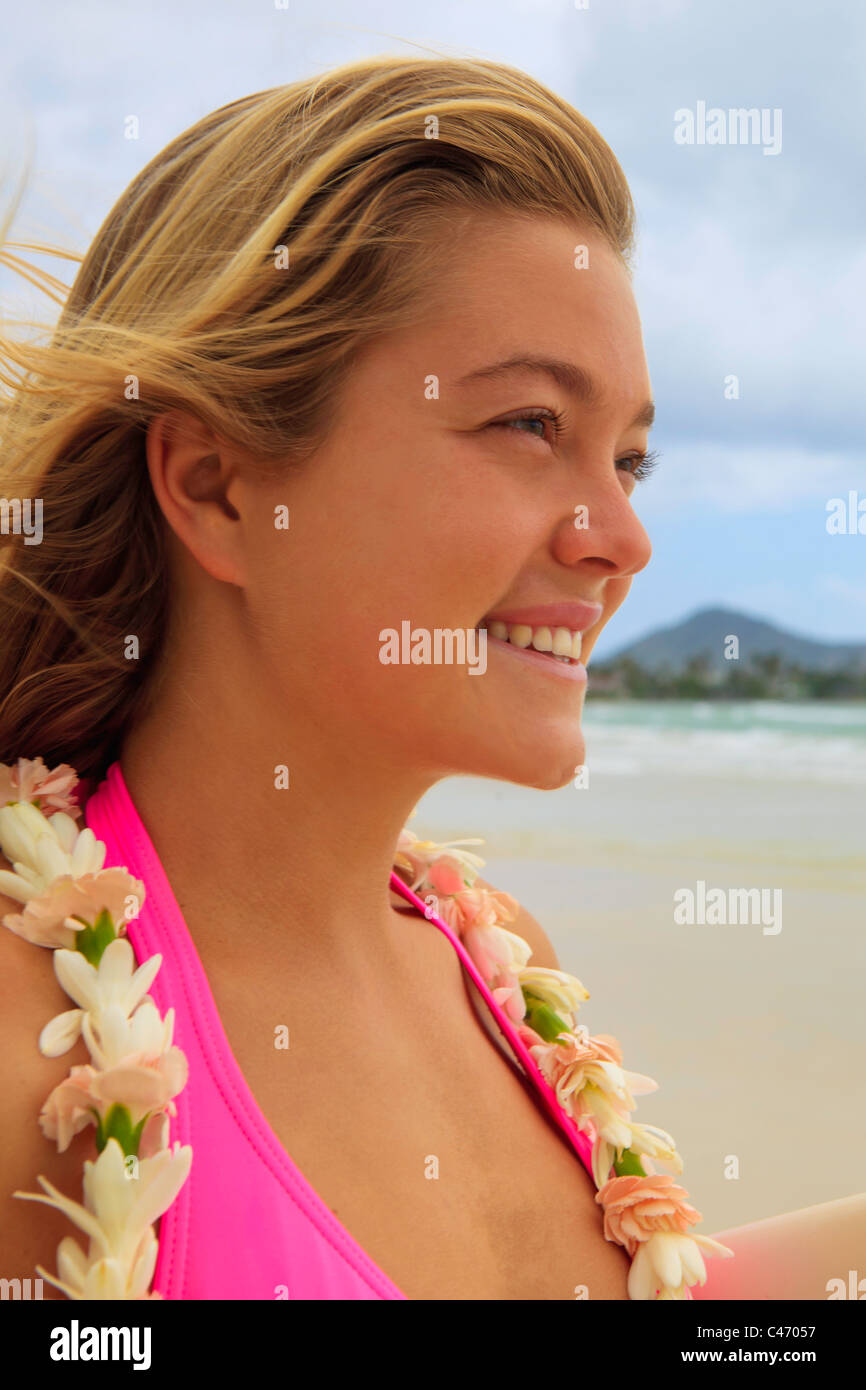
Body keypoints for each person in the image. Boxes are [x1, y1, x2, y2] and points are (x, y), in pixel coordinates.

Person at [0, 54, 862, 1301]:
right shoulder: (35, 1040)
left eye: (628, 461)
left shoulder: (496, 963)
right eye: (528, 426)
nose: (618, 538)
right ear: (217, 486)